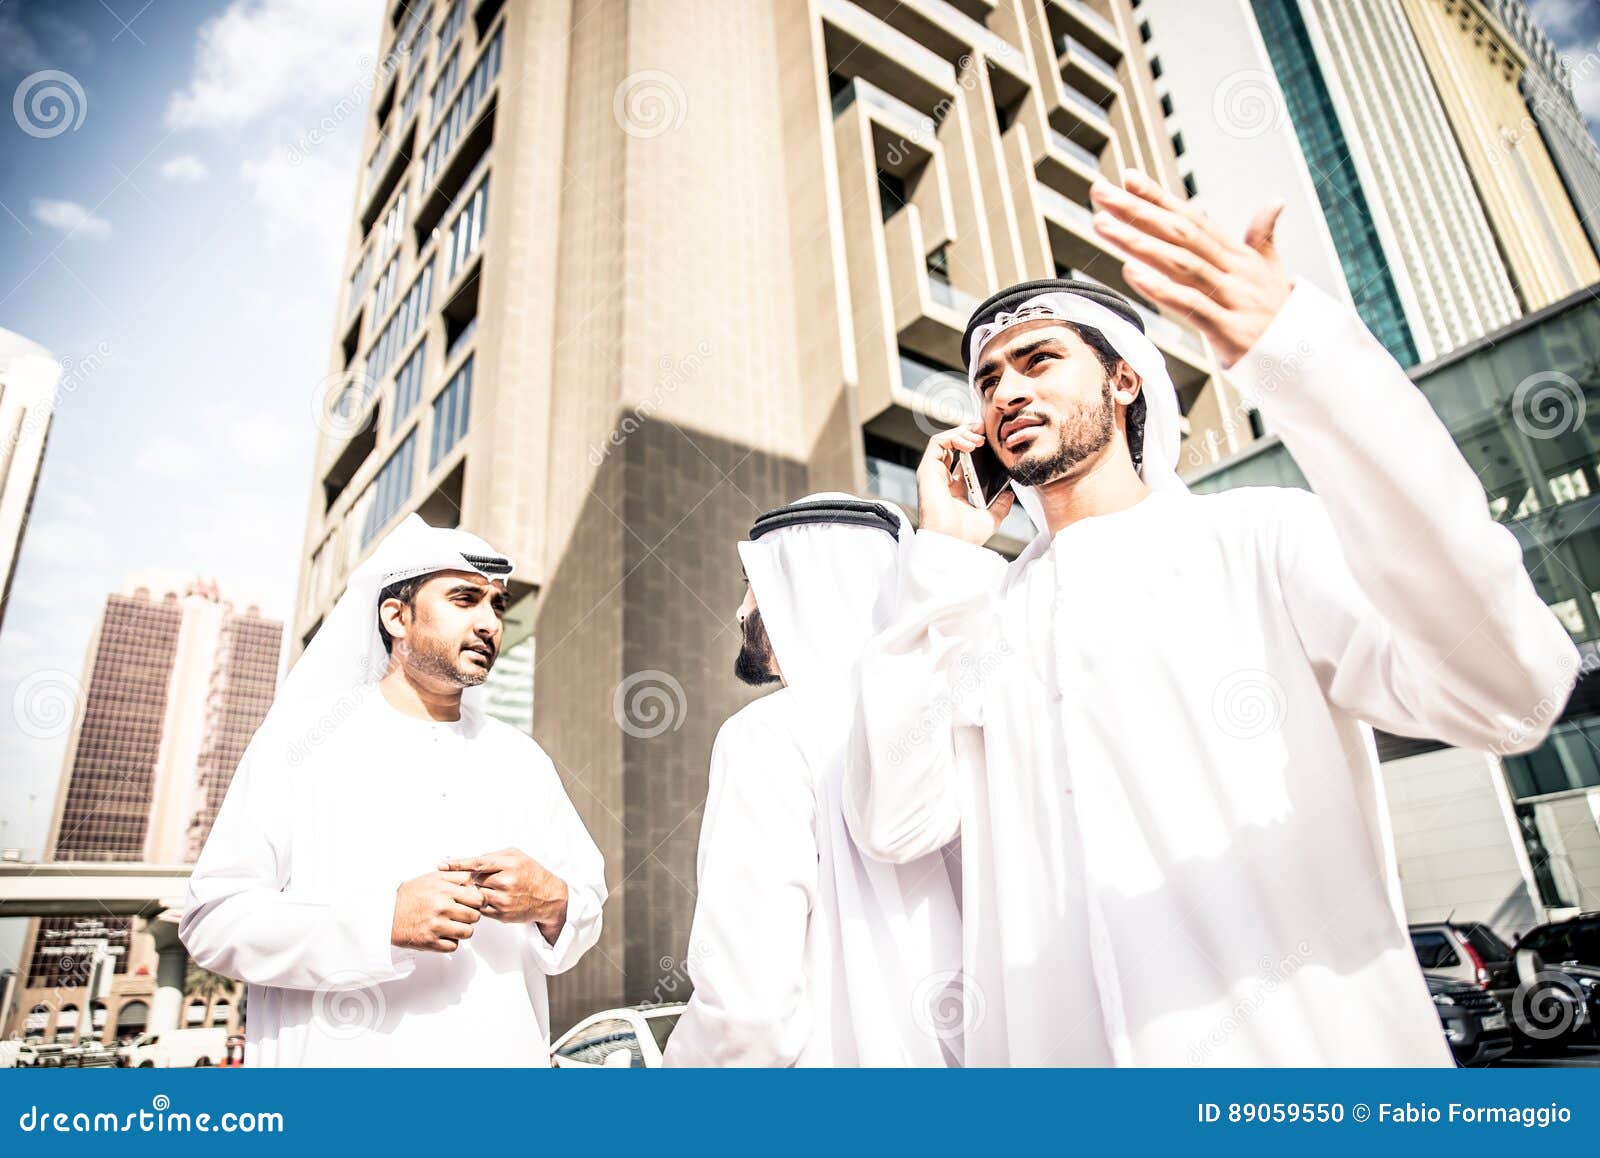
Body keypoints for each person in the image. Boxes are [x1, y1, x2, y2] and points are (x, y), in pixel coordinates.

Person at [844, 170, 1579, 1066]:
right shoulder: (978, 613)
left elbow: (1511, 696)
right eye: (987, 379)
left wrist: (1309, 364)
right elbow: (896, 823)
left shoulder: (1258, 536)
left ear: (1123, 384)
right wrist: (942, 563)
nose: (1004, 393)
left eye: (1039, 361)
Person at [181, 515, 606, 1066]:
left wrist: (552, 902)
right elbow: (214, 919)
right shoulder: (301, 742)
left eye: (497, 606)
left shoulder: (522, 759)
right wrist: (383, 922)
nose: (489, 624)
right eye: (465, 599)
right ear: (395, 615)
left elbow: (585, 905)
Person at [663, 495, 964, 1066]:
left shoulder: (766, 734)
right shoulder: (955, 717)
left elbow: (750, 1010)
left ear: (806, 590)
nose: (740, 612)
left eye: (753, 584)